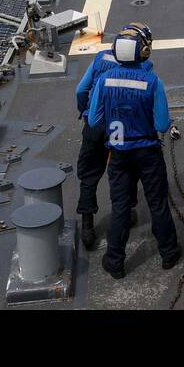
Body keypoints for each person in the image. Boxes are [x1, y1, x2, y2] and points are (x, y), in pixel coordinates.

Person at [86, 22, 180, 278]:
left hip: (118, 152)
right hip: (147, 151)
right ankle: (169, 254)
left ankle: (115, 261)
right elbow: (162, 124)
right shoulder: (153, 81)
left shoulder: (104, 80)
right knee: (158, 204)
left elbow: (94, 121)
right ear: (144, 52)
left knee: (120, 207)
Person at [73, 23, 149, 250]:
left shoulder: (100, 58)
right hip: (123, 127)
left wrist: (85, 112)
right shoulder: (145, 66)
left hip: (94, 125)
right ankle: (126, 212)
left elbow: (81, 90)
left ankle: (87, 226)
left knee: (89, 174)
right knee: (126, 170)